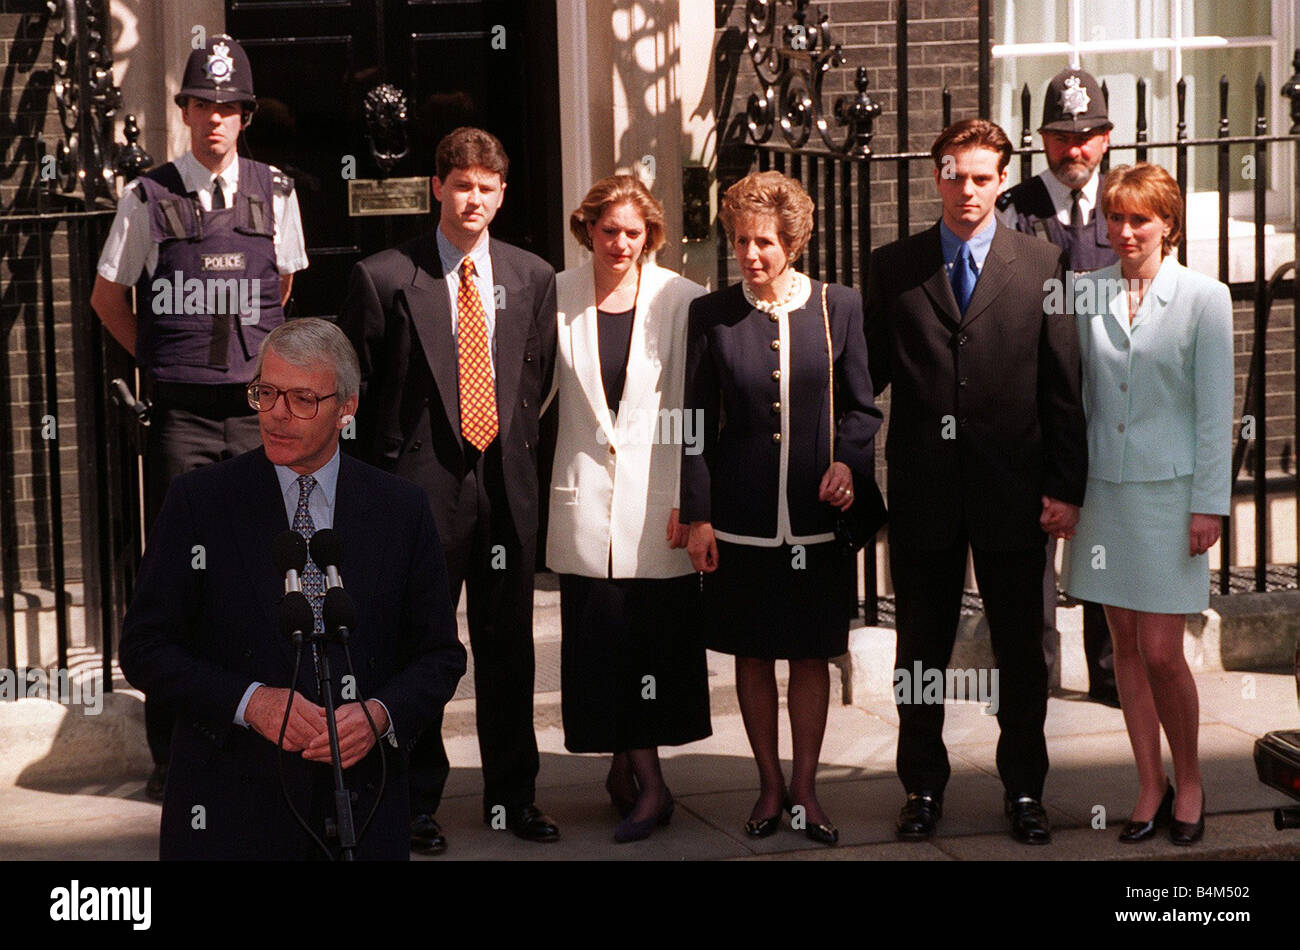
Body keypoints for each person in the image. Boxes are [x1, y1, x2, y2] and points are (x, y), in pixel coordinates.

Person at [118, 319, 466, 859]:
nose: (277, 413)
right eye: (266, 392)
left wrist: (379, 714)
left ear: (346, 407)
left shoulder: (401, 510)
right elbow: (145, 650)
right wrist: (249, 702)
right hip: (231, 806)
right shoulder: (200, 504)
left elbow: (440, 656)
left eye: (303, 399)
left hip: (363, 809)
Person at [90, 33, 308, 802]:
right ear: (183, 111)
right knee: (181, 574)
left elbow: (280, 290)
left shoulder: (277, 190)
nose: (215, 118)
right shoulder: (147, 196)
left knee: (261, 566)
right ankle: (173, 748)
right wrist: (161, 358)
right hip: (181, 414)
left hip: (254, 415)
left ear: (245, 115)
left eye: (228, 106)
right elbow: (107, 298)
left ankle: (262, 729)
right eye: (201, 104)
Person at [865, 119, 1088, 845]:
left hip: (1015, 493)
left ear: (1002, 181)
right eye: (955, 175)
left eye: (983, 177)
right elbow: (864, 386)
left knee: (1021, 649)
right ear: (937, 177)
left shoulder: (1045, 265)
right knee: (918, 651)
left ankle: (1025, 788)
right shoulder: (893, 267)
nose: (968, 190)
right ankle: (921, 788)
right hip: (926, 493)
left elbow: (1064, 386)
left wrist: (1065, 486)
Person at [339, 126, 559, 853]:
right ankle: (416, 801)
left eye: (487, 188)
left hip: (504, 483)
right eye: (461, 185)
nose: (474, 199)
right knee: (422, 647)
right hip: (420, 492)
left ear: (502, 194)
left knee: (509, 647)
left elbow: (537, 382)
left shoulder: (532, 276)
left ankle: (514, 797)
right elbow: (359, 394)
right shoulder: (386, 276)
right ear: (438, 188)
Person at [681, 170, 882, 846]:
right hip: (740, 519)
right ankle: (768, 785)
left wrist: (848, 464)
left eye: (763, 241)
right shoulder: (709, 316)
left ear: (792, 240)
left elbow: (862, 406)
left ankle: (805, 789)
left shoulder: (840, 306)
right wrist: (698, 513)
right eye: (740, 241)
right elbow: (693, 423)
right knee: (753, 652)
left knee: (810, 654)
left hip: (816, 520)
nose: (750, 254)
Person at [1066, 163, 1232, 846]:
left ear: (1169, 223)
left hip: (1172, 499)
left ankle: (1190, 780)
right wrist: (1064, 492)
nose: (1125, 232)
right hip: (1104, 494)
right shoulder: (1083, 292)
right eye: (1115, 218)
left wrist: (1209, 505)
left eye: (1140, 219)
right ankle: (1148, 784)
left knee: (1164, 651)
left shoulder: (1205, 297)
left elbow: (1215, 412)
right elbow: (1073, 401)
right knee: (1125, 647)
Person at [544, 175, 711, 842]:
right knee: (605, 645)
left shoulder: (683, 298)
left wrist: (697, 505)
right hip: (584, 503)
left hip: (657, 507)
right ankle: (626, 774)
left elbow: (695, 415)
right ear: (586, 228)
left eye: (633, 233)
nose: (619, 243)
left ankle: (654, 787)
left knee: (647, 649)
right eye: (607, 230)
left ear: (652, 237)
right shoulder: (553, 295)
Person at [997, 67, 1120, 708]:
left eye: (1087, 135)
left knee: (1105, 543)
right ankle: (1034, 679)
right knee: (1031, 553)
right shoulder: (1015, 210)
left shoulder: (1128, 209)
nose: (1074, 149)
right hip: (1036, 406)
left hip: (1108, 403)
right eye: (1061, 136)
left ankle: (1110, 676)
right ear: (1042, 139)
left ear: (1106, 137)